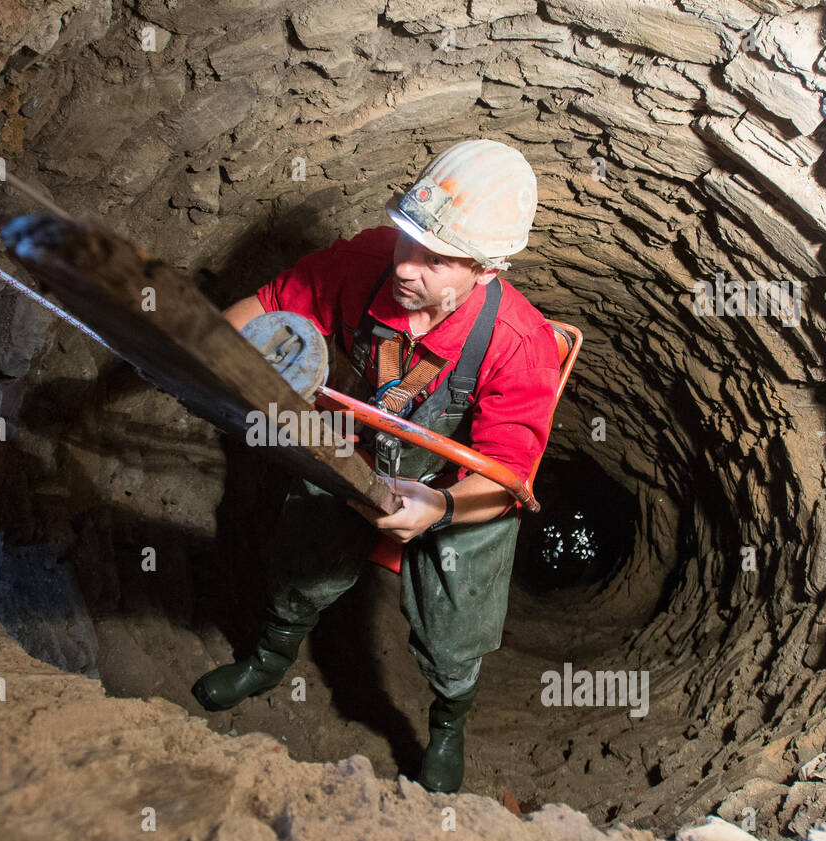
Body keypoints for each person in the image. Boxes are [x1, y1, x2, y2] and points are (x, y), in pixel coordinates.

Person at [192, 139, 562, 793]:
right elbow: (277, 302)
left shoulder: (518, 345)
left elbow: (508, 474)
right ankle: (269, 658)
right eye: (406, 238)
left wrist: (438, 508)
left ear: (485, 269)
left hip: (459, 492)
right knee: (304, 558)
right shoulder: (369, 261)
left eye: (435, 258)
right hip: (361, 449)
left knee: (456, 629)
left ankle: (448, 725)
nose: (406, 266)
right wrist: (205, 352)